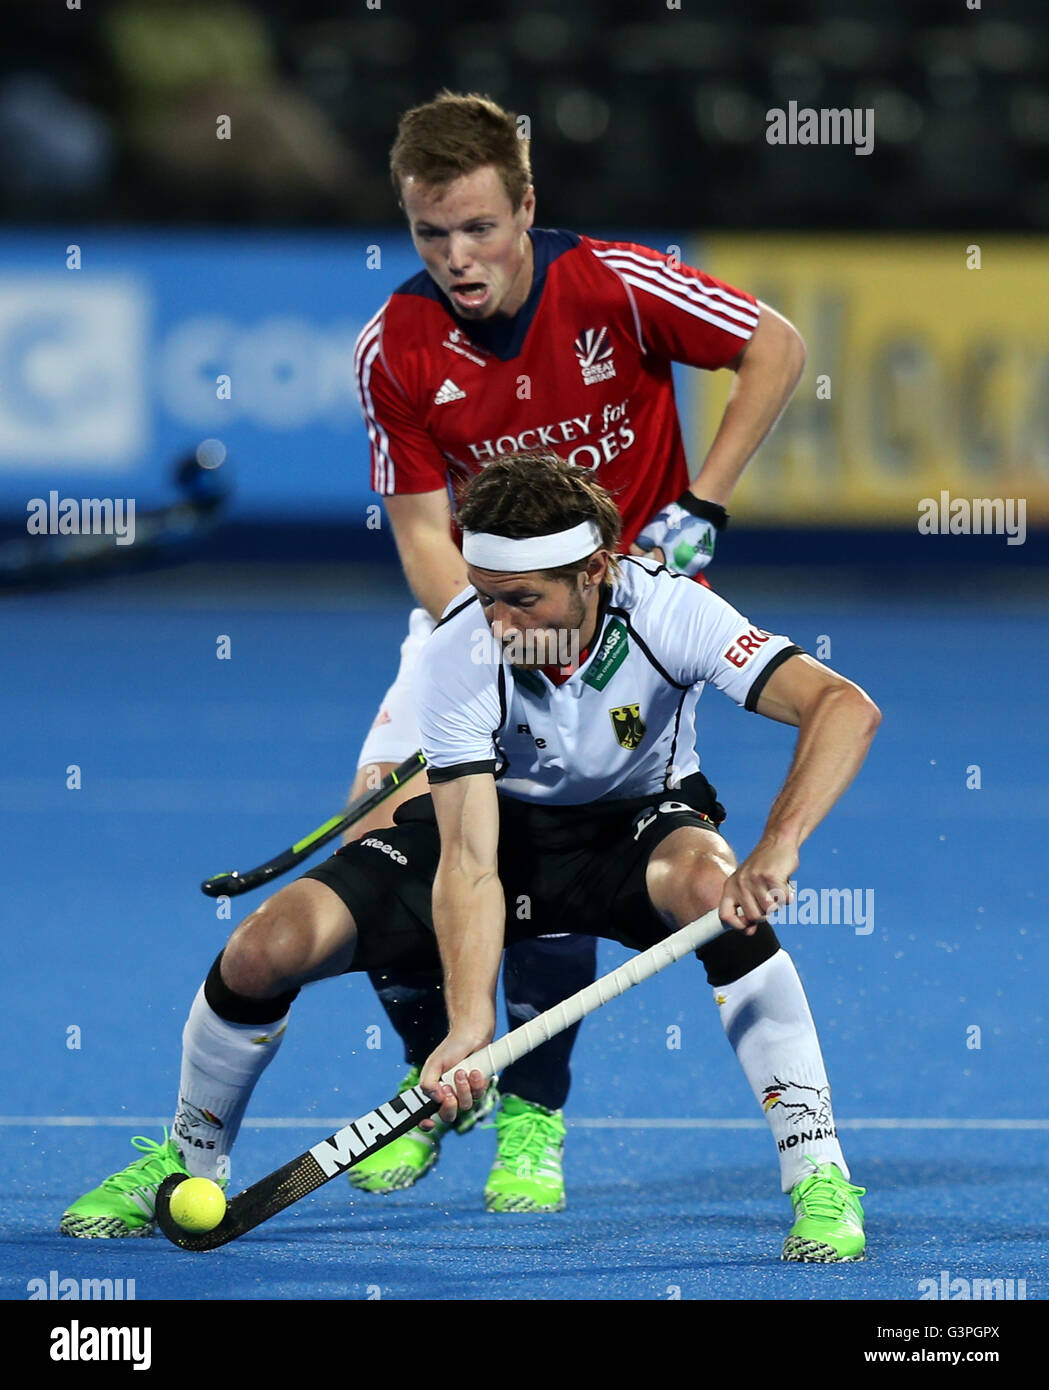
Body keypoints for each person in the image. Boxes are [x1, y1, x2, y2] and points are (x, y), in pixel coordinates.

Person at [60, 451, 877, 1260]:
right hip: (496, 832)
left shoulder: (673, 614)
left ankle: (819, 1176)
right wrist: (468, 1025)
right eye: (487, 598)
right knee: (263, 947)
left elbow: (841, 705)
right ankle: (186, 1161)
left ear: (594, 570)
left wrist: (777, 844)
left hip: (632, 828)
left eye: (522, 600)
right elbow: (471, 860)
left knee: (710, 893)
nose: (501, 624)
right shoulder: (462, 651)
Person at [343, 89, 807, 1212]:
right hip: (477, 617)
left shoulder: (612, 283)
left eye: (480, 228)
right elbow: (418, 535)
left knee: (548, 852)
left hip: (616, 622)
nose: (457, 258)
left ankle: (534, 1121)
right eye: (428, 233)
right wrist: (490, 650)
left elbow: (775, 348)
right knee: (378, 841)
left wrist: (705, 499)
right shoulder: (394, 346)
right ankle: (442, 1070)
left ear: (527, 208)